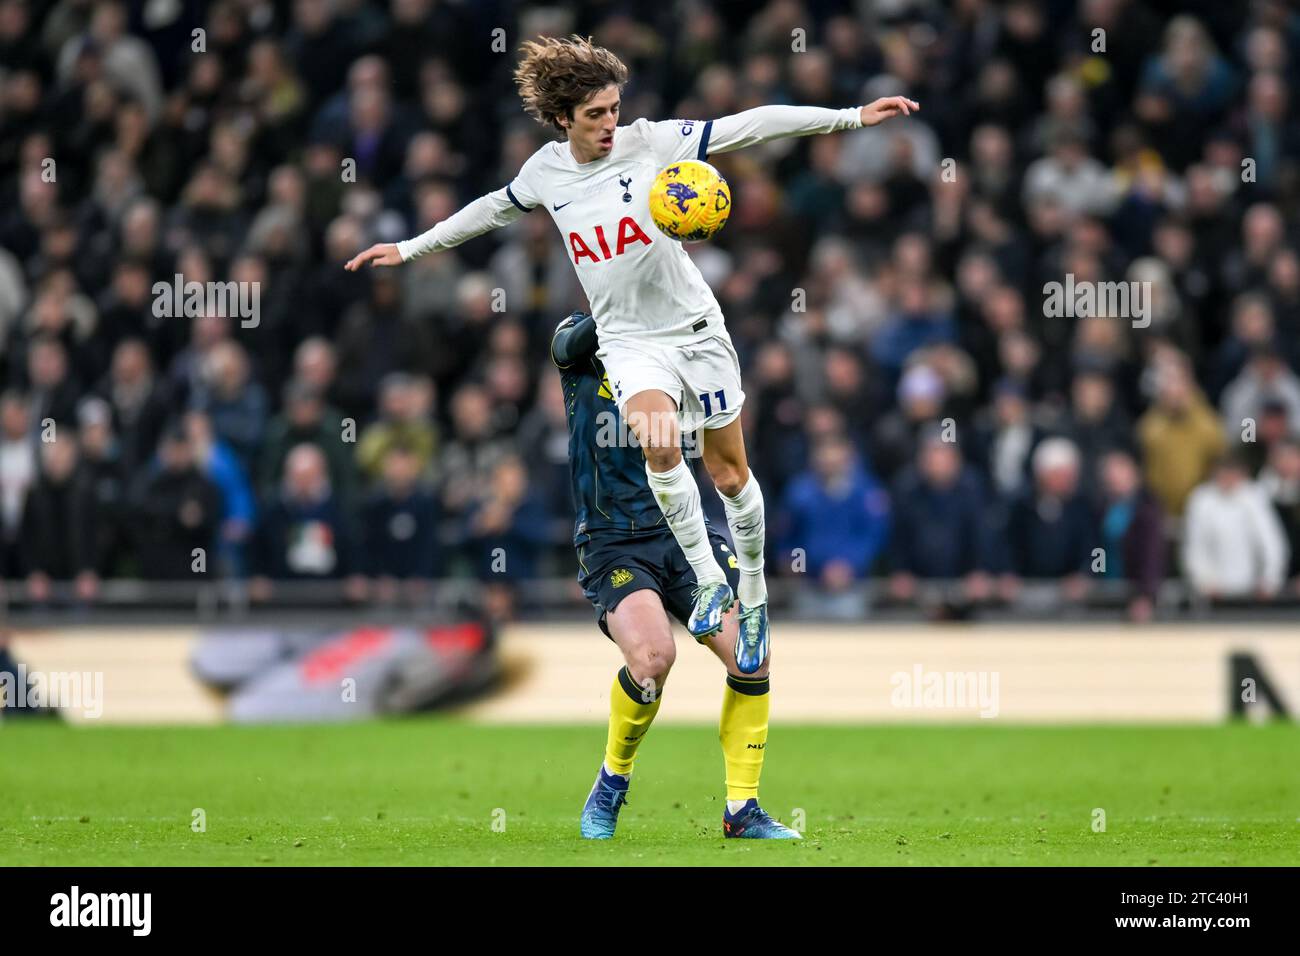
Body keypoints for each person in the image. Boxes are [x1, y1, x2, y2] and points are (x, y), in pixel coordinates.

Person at [346, 34, 919, 672]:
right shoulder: (547, 172)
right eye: (596, 115)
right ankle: (708, 582)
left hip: (695, 328)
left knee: (729, 475)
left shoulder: (650, 140)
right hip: (627, 340)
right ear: (564, 119)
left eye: (614, 108)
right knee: (660, 443)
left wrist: (848, 117)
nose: (610, 124)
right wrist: (410, 248)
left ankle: (751, 596)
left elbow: (747, 127)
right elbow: (489, 211)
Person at [551, 310, 798, 841]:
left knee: (752, 656)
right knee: (653, 660)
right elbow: (566, 343)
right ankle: (613, 780)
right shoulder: (584, 343)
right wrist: (628, 300)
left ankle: (742, 810)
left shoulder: (684, 347)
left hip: (683, 537)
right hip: (612, 538)